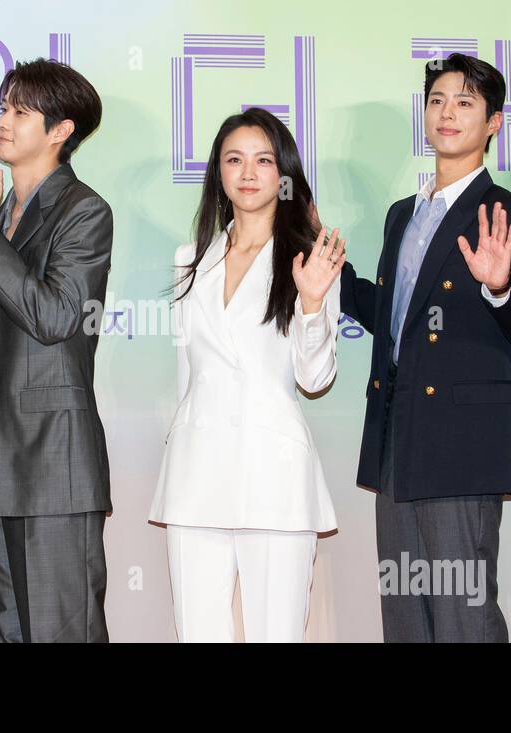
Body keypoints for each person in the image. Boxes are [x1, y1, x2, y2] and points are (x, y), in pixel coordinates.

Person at [339, 53, 511, 642]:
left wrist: (500, 288)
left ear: (493, 122)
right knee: (405, 619)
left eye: (465, 102)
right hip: (396, 443)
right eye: (437, 100)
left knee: (463, 620)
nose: (447, 112)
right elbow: (391, 319)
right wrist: (325, 267)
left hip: (461, 450)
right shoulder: (401, 215)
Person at [149, 108, 343, 642]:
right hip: (196, 473)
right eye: (234, 159)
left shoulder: (312, 257)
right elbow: (185, 372)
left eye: (263, 160)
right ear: (219, 173)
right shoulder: (191, 257)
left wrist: (310, 304)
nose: (249, 172)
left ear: (284, 173)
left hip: (275, 474)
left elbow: (316, 376)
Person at [0, 58, 113, 642]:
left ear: (61, 130)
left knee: (61, 632)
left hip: (51, 467)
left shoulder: (84, 211)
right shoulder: (4, 214)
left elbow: (57, 315)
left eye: (20, 110)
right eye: (3, 107)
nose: (3, 121)